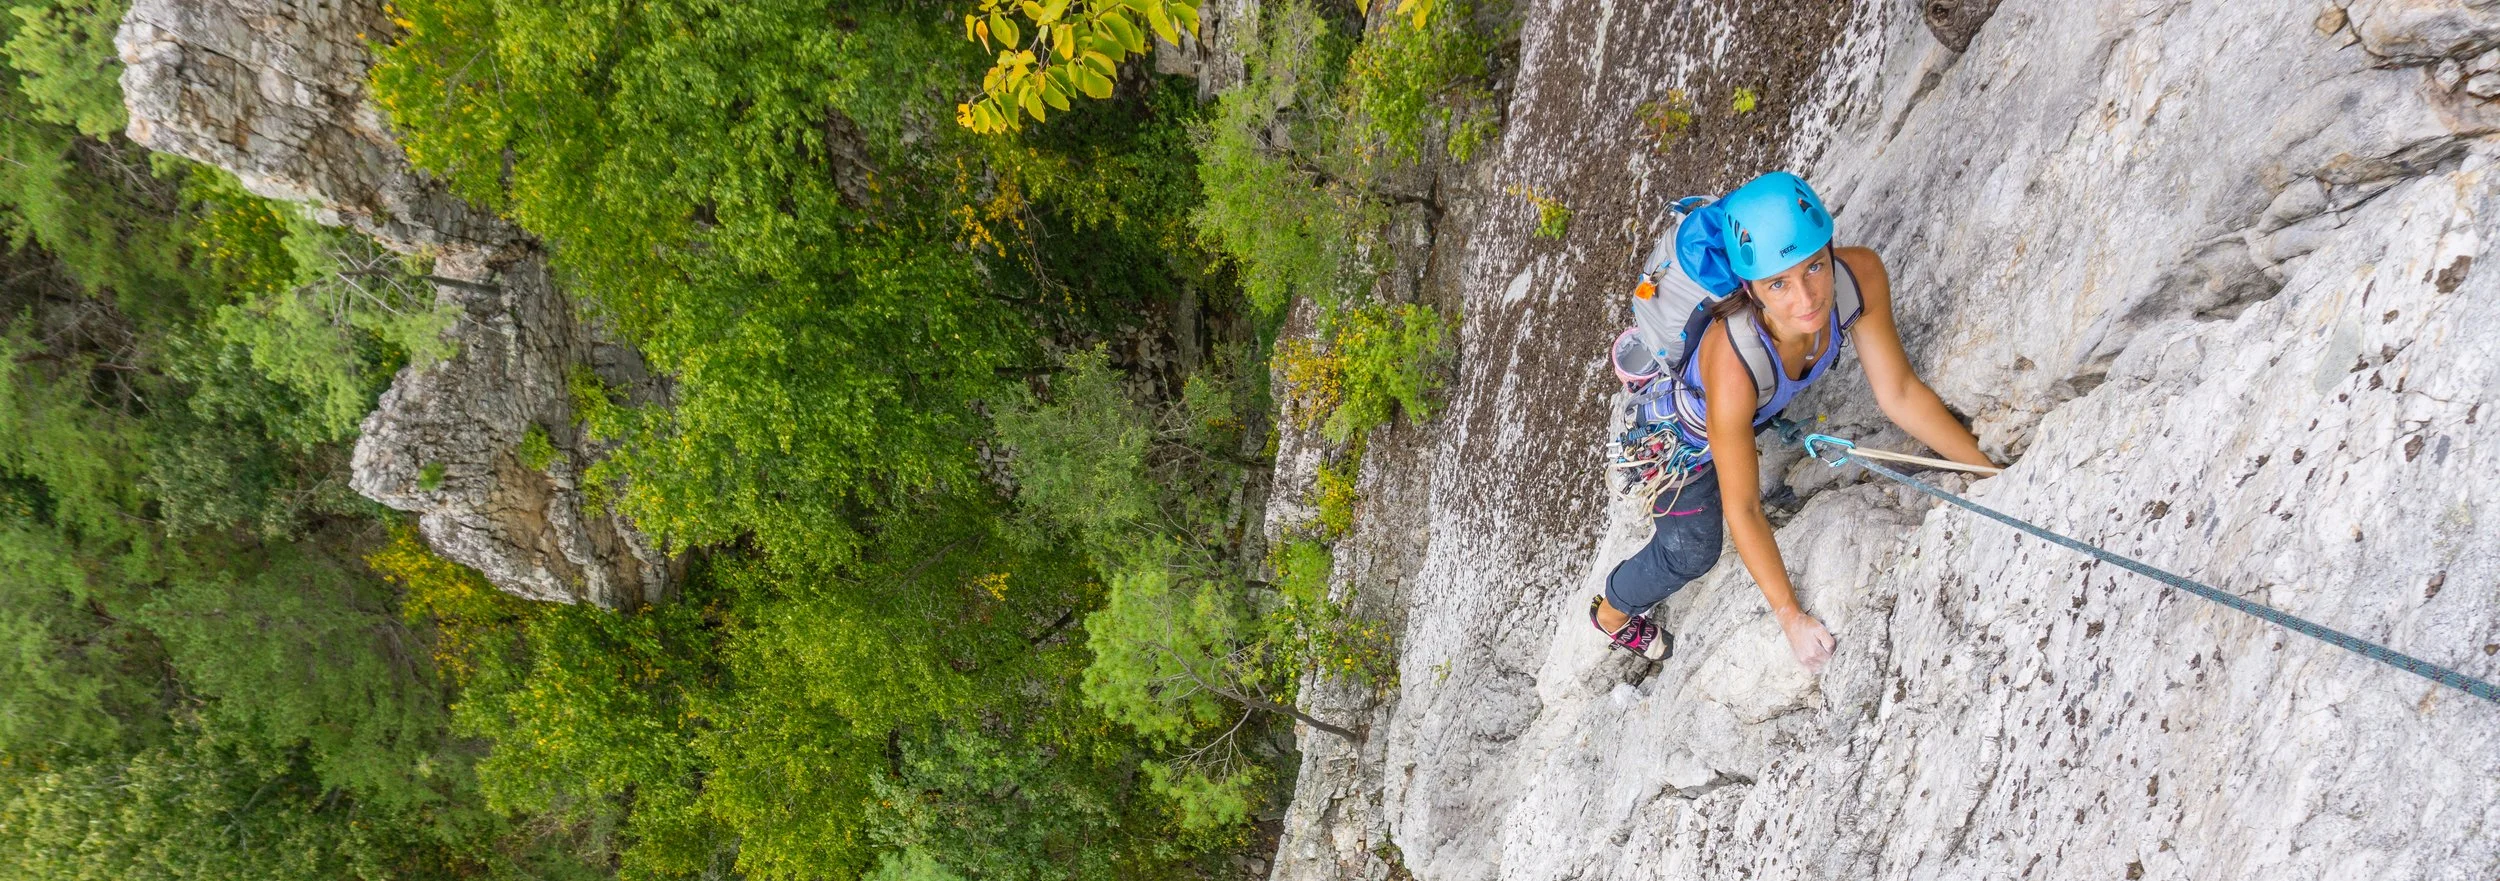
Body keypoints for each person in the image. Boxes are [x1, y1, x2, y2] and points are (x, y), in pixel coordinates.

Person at [1589, 171, 1998, 670]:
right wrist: (1791, 616)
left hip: (1743, 412)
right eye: (1777, 283)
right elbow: (1745, 509)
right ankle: (1611, 612)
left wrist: (1987, 474)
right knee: (1692, 552)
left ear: (1830, 251)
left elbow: (1901, 393)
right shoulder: (1734, 360)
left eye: (1813, 268)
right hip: (1681, 444)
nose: (1805, 299)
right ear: (1750, 288)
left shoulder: (1858, 278)